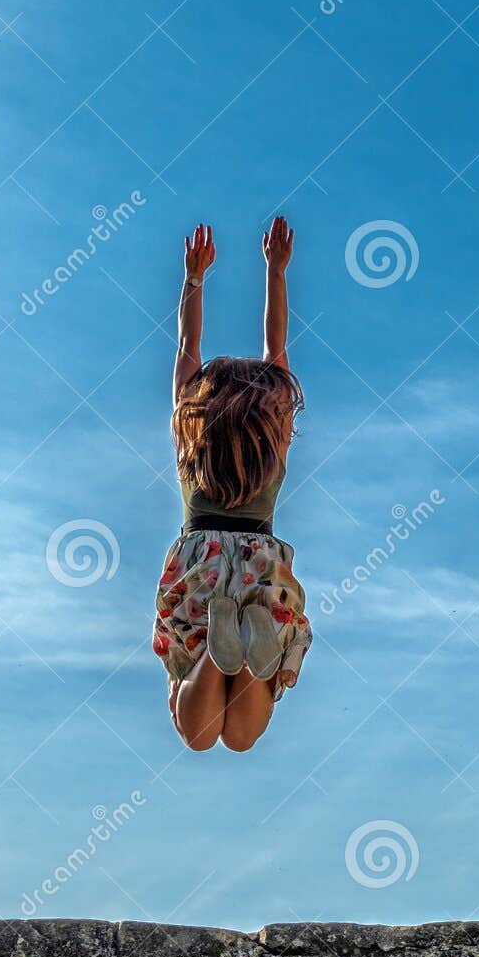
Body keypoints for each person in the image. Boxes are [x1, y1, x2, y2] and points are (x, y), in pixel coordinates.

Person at [152, 217, 312, 752]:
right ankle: (244, 632)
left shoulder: (192, 437)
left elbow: (186, 348)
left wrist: (193, 279)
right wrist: (277, 271)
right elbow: (277, 351)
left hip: (203, 557)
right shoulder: (274, 430)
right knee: (244, 735)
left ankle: (212, 650)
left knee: (193, 730)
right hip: (261, 562)